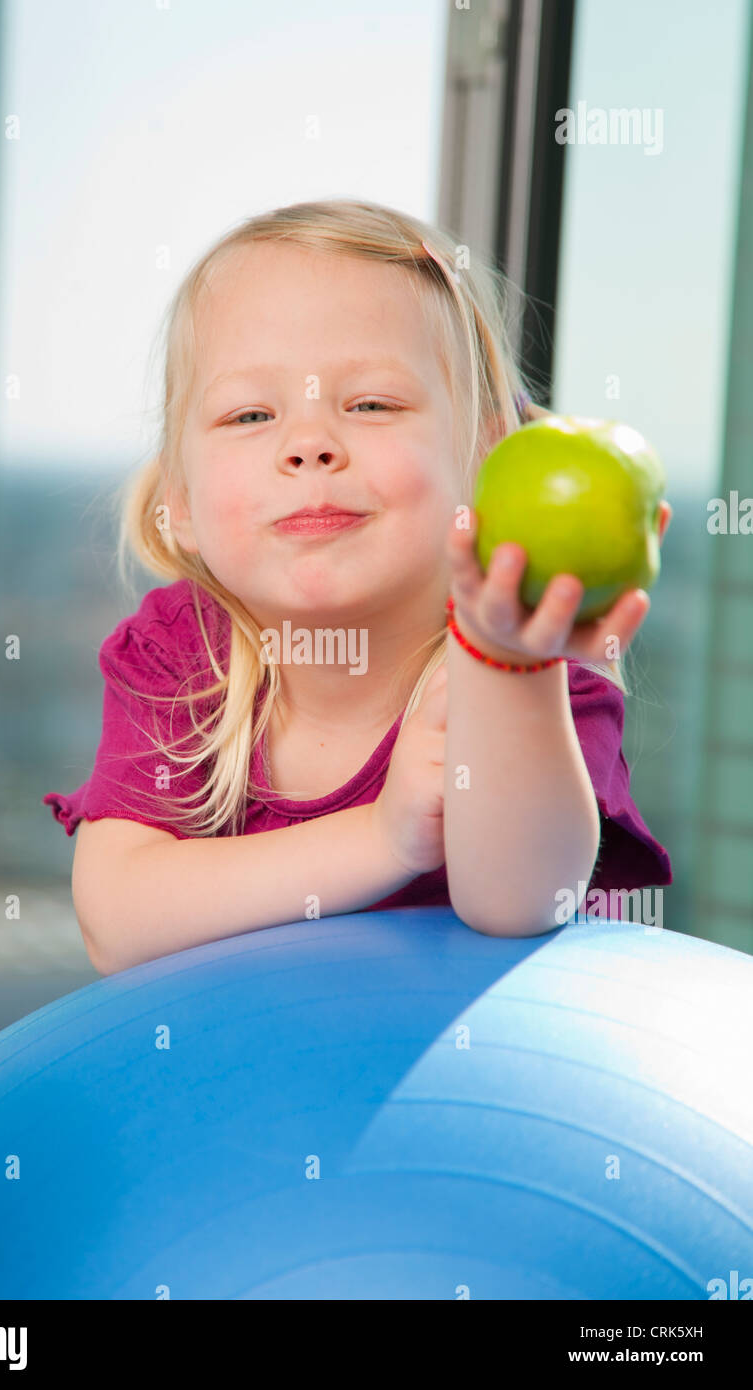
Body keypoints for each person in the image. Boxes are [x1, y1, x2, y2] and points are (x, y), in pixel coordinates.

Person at [43, 199, 672, 974]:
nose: (308, 444)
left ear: (486, 457)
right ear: (179, 500)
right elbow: (118, 920)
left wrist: (507, 670)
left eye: (371, 403)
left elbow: (518, 903)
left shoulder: (531, 662)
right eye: (249, 415)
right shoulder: (179, 654)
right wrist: (381, 838)